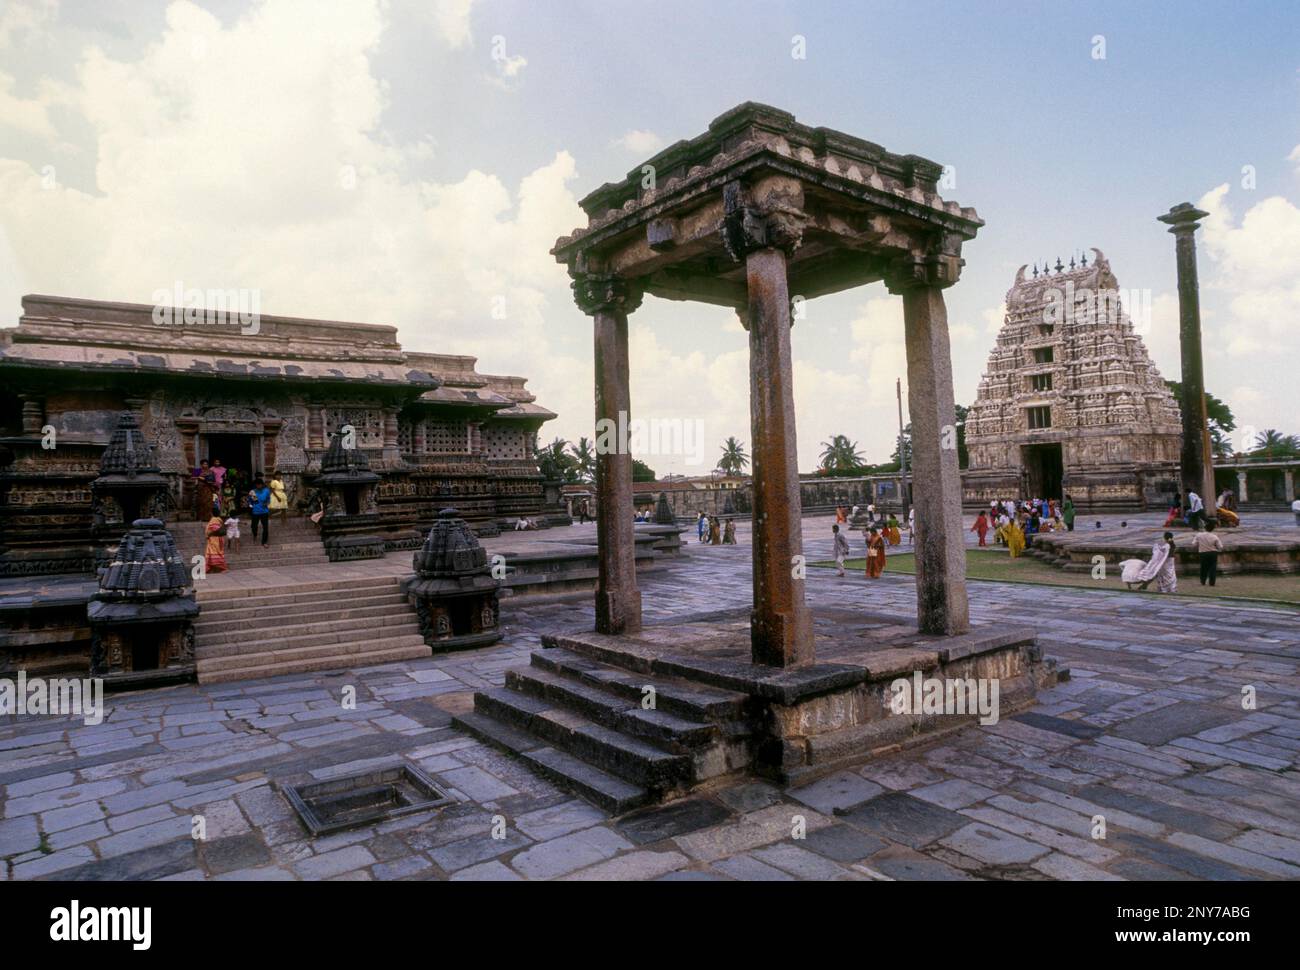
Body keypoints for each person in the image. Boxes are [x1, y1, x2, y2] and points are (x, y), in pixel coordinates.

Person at [1192, 521, 1223, 586]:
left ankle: (1203, 581)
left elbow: (1193, 544)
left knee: (1203, 567)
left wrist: (1199, 544)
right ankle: (1212, 582)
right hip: (1213, 553)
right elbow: (1220, 547)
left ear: (1205, 527)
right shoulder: (1215, 536)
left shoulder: (1199, 535)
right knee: (1212, 568)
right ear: (1212, 529)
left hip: (1203, 553)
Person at [248, 477, 271, 546]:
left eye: (260, 484)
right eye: (257, 485)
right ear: (255, 485)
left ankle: (264, 542)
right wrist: (251, 506)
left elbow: (268, 499)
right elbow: (250, 502)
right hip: (255, 512)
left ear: (262, 484)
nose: (259, 486)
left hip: (264, 512)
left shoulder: (266, 491)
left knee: (265, 528)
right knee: (254, 526)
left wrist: (266, 503)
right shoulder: (252, 492)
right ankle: (255, 535)